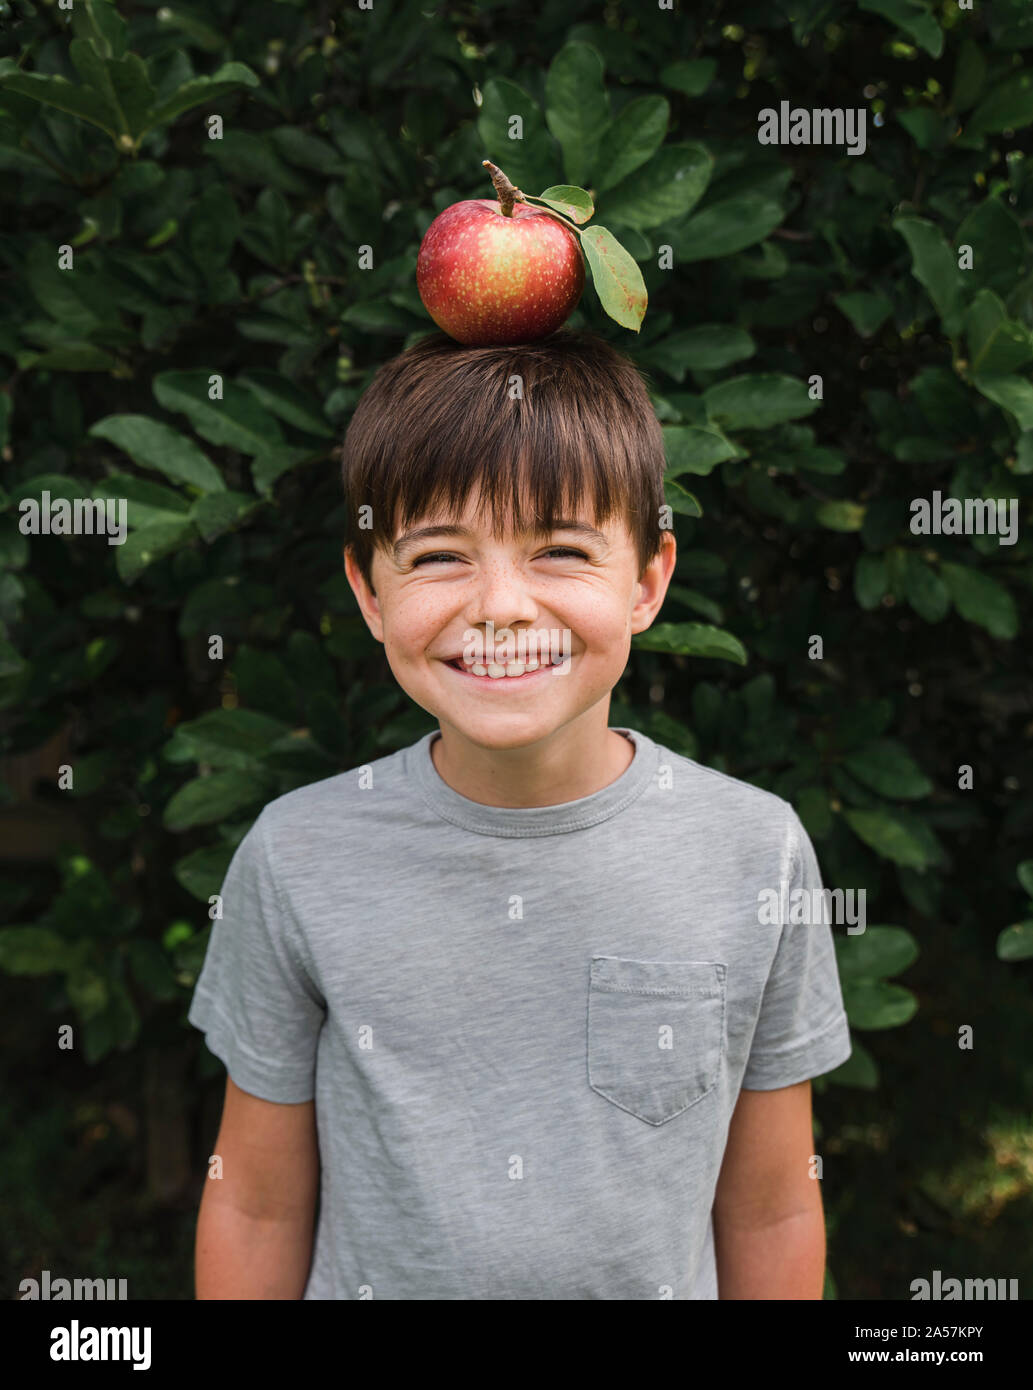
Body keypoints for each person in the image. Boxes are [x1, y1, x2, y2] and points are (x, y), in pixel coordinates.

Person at [189, 328, 853, 1300]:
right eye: (438, 555)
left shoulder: (753, 851)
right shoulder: (298, 855)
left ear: (648, 581)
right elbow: (253, 1201)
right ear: (368, 591)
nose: (500, 603)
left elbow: (770, 1207)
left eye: (561, 549)